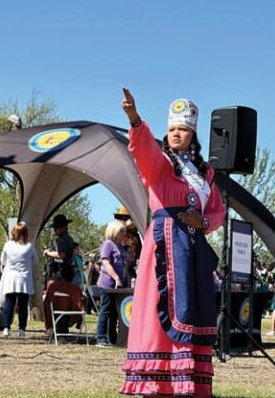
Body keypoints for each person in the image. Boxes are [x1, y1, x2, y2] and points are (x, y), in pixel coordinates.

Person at [119, 88, 225, 397]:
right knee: (159, 307)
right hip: (164, 243)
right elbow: (142, 150)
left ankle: (187, 379)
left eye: (183, 130)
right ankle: (157, 379)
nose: (176, 134)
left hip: (192, 248)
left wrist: (203, 222)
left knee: (193, 307)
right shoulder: (160, 164)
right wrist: (134, 119)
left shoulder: (205, 173)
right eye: (172, 130)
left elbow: (217, 209)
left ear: (193, 134)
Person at [0, 222, 38, 338]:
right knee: (23, 305)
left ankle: (6, 328)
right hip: (24, 279)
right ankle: (22, 329)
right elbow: (35, 261)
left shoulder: (8, 245)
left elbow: (3, 261)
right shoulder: (29, 246)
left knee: (9, 304)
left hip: (10, 278)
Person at [95, 220, 129, 347]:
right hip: (107, 284)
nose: (123, 234)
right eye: (121, 232)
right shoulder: (108, 244)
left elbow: (125, 265)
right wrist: (116, 278)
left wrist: (125, 279)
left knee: (115, 312)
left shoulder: (120, 246)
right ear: (114, 232)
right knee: (106, 310)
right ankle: (101, 337)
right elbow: (106, 263)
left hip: (119, 284)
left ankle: (112, 337)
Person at [43, 214, 76, 283]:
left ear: (62, 227)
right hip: (69, 272)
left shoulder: (61, 239)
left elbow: (61, 255)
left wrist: (47, 253)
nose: (55, 230)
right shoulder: (70, 239)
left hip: (61, 273)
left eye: (56, 228)